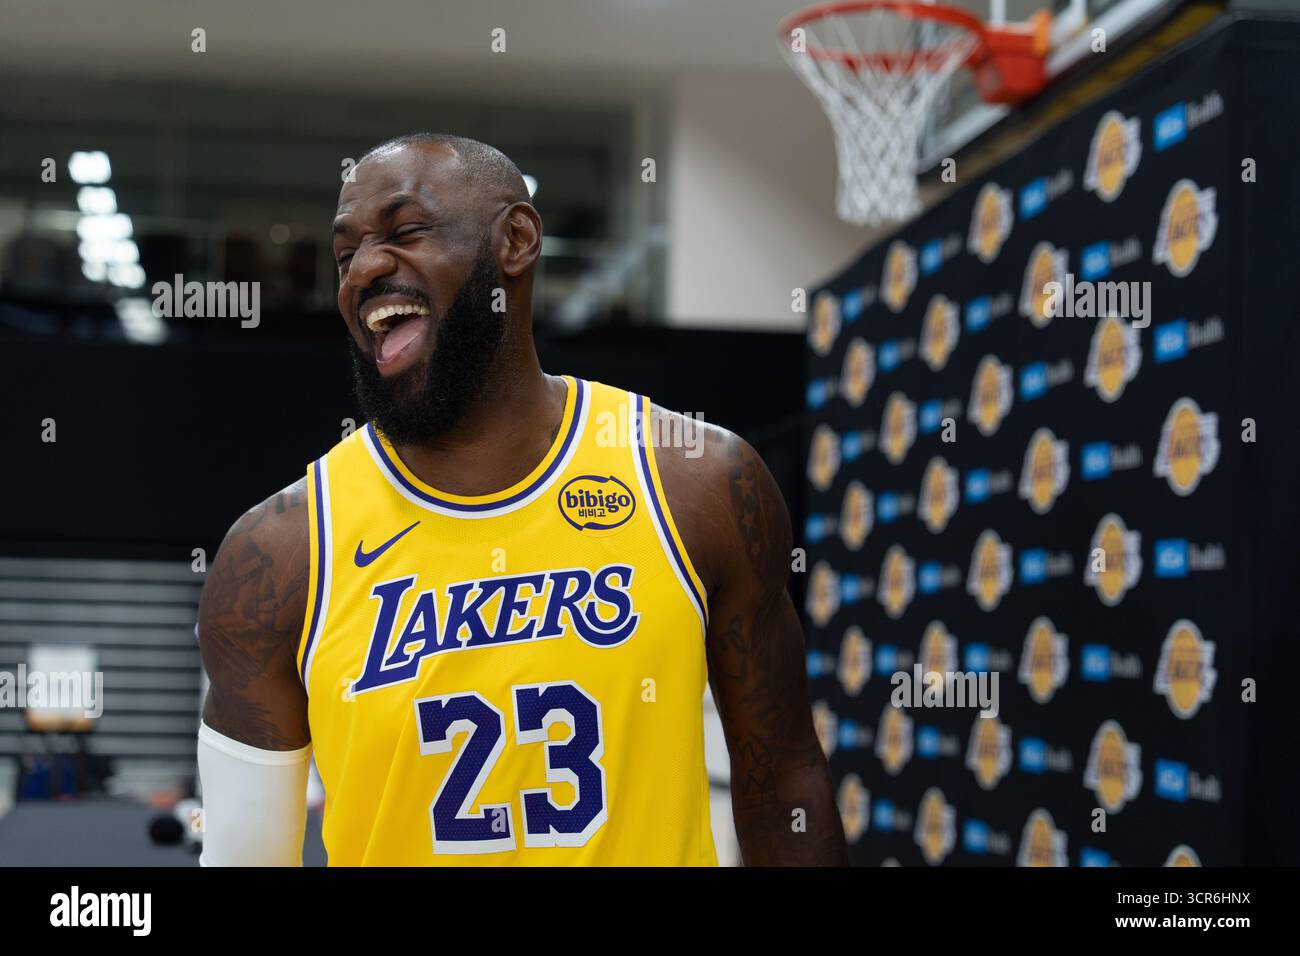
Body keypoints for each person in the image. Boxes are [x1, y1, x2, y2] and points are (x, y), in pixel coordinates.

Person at [196, 134, 846, 866]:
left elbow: (785, 782)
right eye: (347, 255)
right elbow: (242, 859)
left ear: (516, 240)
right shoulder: (277, 554)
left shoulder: (697, 483)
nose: (366, 270)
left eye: (406, 232)